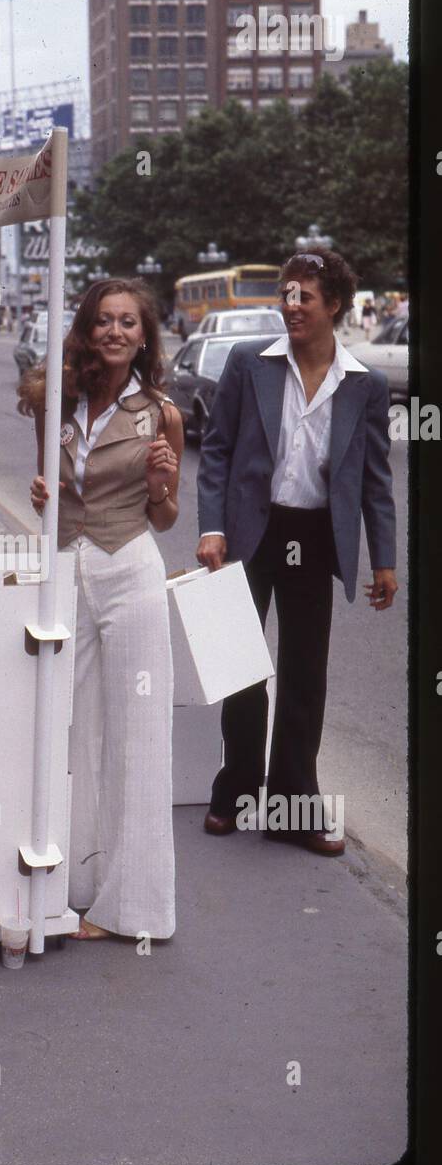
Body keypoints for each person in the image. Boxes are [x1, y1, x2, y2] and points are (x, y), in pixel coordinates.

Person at [196, 248, 397, 856]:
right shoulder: (247, 363)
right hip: (248, 532)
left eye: (303, 297)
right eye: (285, 294)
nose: (291, 307)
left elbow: (375, 481)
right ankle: (235, 792)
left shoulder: (365, 384)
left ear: (333, 305)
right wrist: (211, 527)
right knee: (241, 668)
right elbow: (217, 451)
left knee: (307, 675)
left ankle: (293, 807)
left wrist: (383, 559)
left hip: (313, 537)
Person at [18, 279, 183, 942]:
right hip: (64, 569)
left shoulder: (161, 413)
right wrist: (39, 493)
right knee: (64, 731)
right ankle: (72, 886)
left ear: (144, 336)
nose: (114, 332)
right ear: (87, 331)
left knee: (136, 736)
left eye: (127, 323)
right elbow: (45, 496)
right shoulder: (55, 401)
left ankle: (132, 908)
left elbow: (165, 517)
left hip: (129, 572)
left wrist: (163, 487)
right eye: (103, 322)